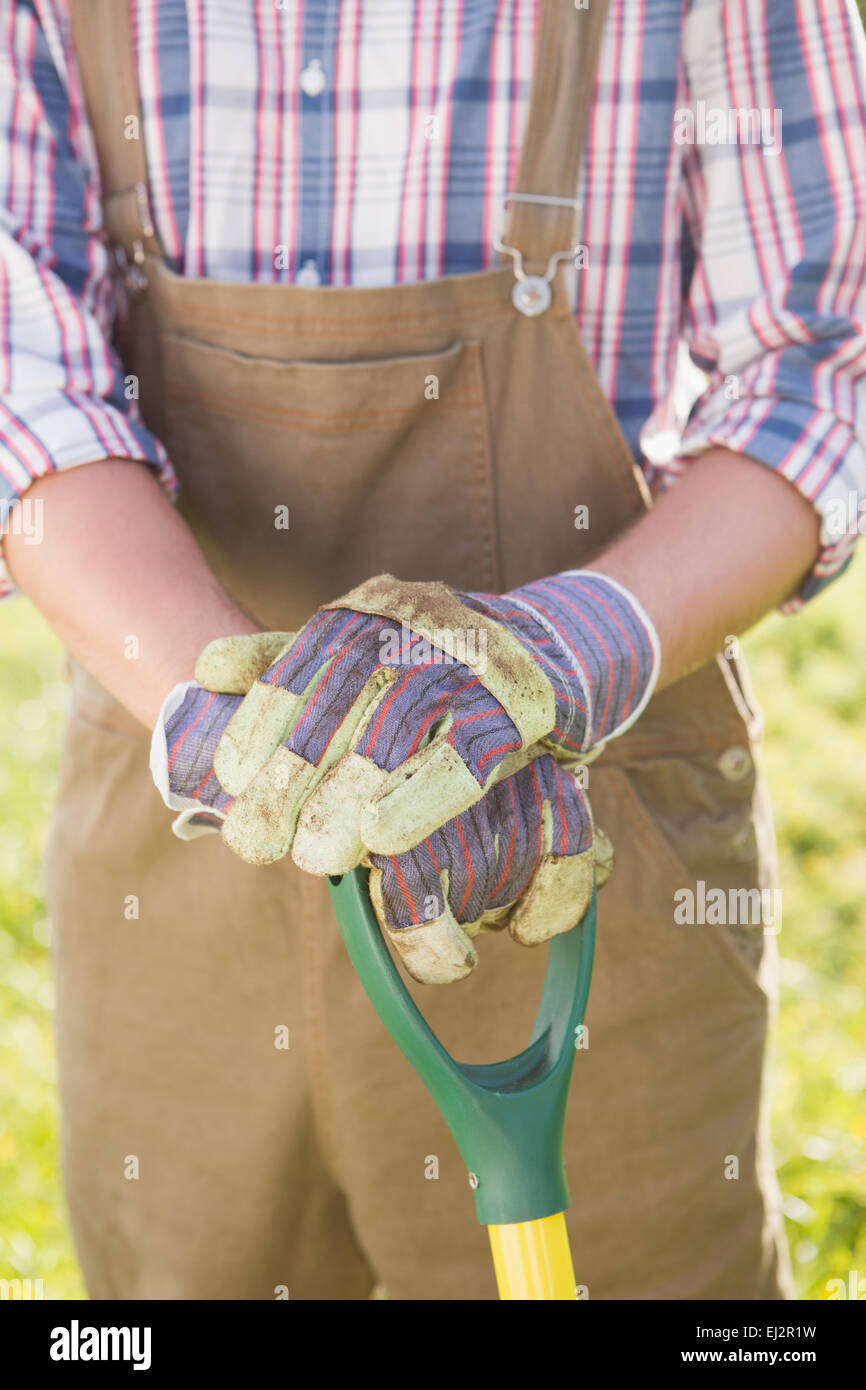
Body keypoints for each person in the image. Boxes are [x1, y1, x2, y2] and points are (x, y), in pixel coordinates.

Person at [1, 0, 864, 1300]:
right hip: (178, 819)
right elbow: (23, 370)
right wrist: (239, 729)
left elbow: (820, 362)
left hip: (584, 847)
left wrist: (552, 656)